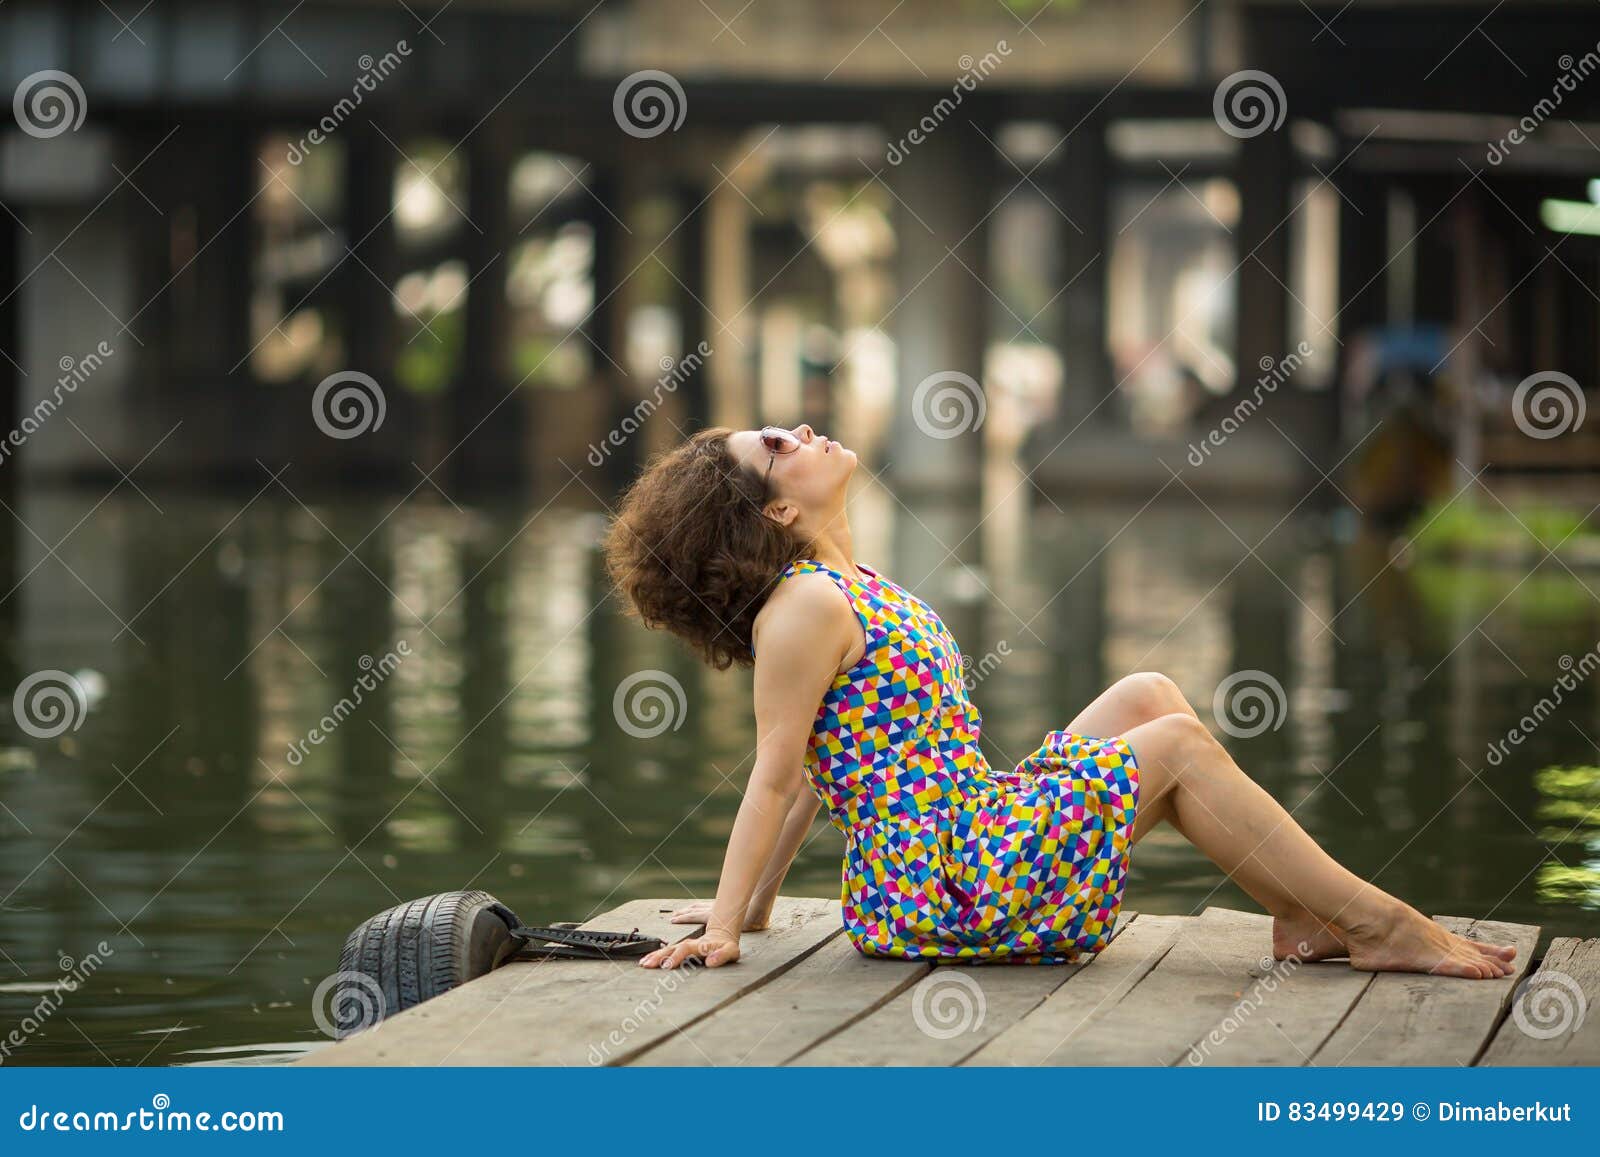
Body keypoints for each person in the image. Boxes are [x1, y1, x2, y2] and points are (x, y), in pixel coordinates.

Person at [601, 424, 1517, 978]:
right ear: (776, 514)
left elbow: (819, 769)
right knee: (1182, 748)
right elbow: (775, 772)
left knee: (1148, 694)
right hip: (951, 887)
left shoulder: (852, 581)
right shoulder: (802, 605)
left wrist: (760, 908)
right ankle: (1377, 923)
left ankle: (1301, 914)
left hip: (970, 841)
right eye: (777, 449)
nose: (800, 432)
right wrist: (726, 925)